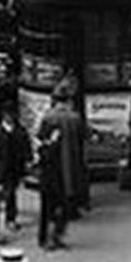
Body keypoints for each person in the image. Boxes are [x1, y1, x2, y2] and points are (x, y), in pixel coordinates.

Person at [36, 82, 84, 250]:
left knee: (48, 207)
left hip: (51, 170)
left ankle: (46, 238)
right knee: (64, 206)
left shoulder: (49, 117)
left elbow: (40, 139)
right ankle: (57, 236)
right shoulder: (75, 118)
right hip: (71, 170)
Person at [0, 107, 30, 235]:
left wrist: (26, 161)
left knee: (11, 192)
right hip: (0, 168)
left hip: (14, 167)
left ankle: (10, 216)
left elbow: (25, 147)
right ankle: (9, 217)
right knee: (7, 193)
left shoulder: (20, 131)